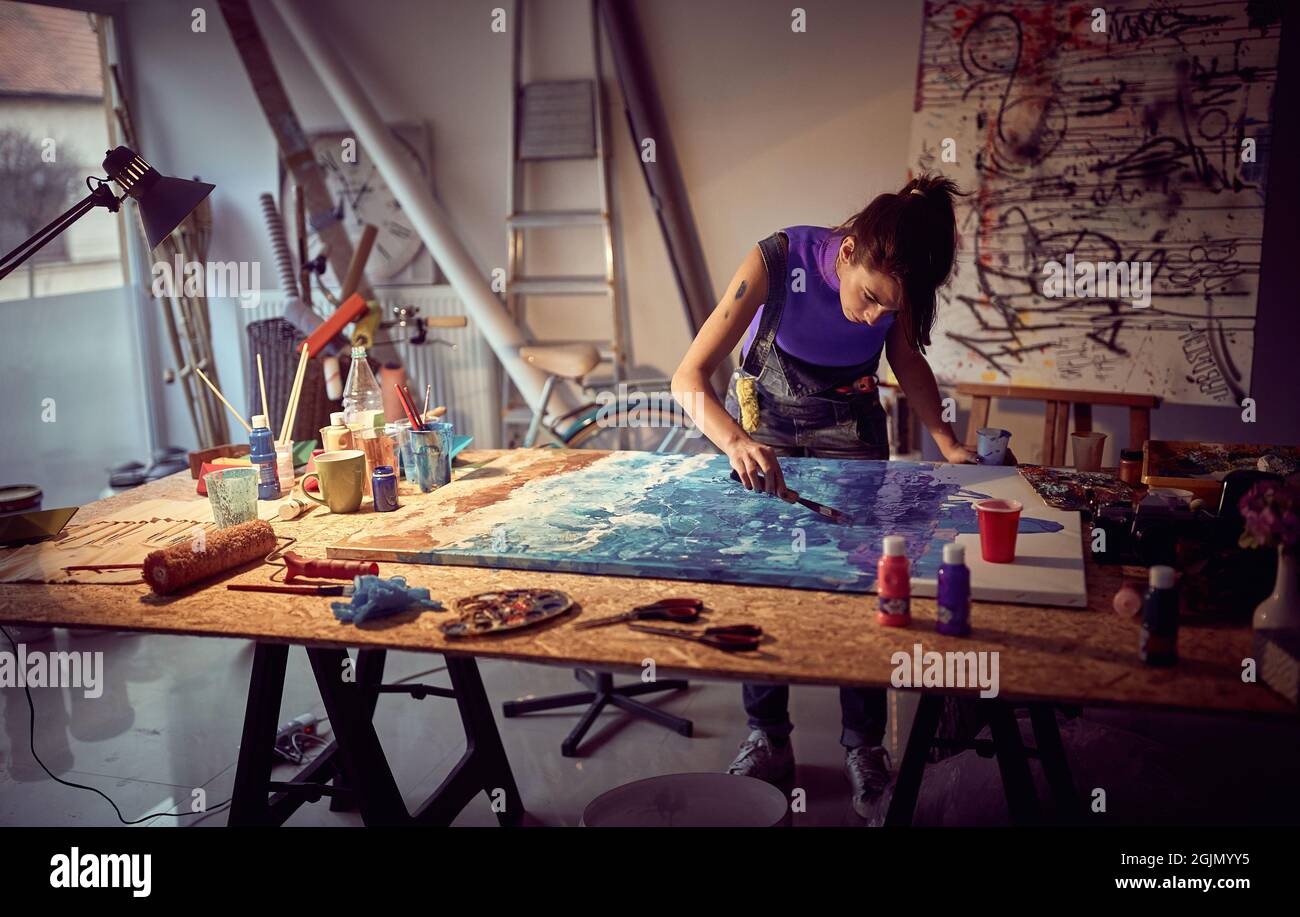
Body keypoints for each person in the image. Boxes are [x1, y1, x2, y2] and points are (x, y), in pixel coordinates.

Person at [670, 173, 975, 821]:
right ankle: (769, 737)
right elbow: (687, 377)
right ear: (849, 249)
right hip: (764, 422)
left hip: (850, 422)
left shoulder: (898, 283)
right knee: (767, 579)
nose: (872, 316)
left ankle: (865, 745)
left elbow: (908, 364)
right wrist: (733, 443)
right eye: (868, 298)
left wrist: (947, 440)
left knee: (860, 581)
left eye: (887, 309)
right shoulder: (776, 261)